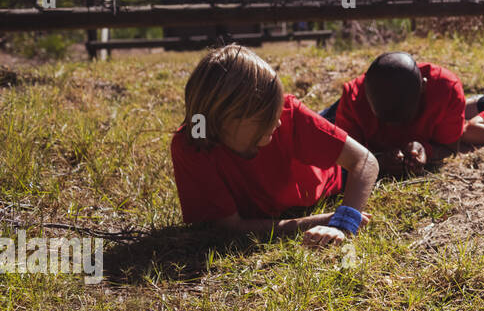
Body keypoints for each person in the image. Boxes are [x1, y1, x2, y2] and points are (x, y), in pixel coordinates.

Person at [170, 44, 378, 247]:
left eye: (276, 112)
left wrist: (343, 222)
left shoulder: (289, 114)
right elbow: (228, 228)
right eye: (266, 116)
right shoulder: (191, 146)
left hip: (332, 175)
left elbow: (365, 161)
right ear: (225, 117)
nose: (277, 122)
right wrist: (320, 220)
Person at [323, 52, 464, 178]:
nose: (396, 130)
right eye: (384, 120)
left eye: (404, 120)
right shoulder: (353, 98)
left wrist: (427, 150)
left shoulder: (446, 91)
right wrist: (378, 161)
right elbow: (346, 160)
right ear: (366, 94)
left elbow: (450, 148)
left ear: (423, 87)